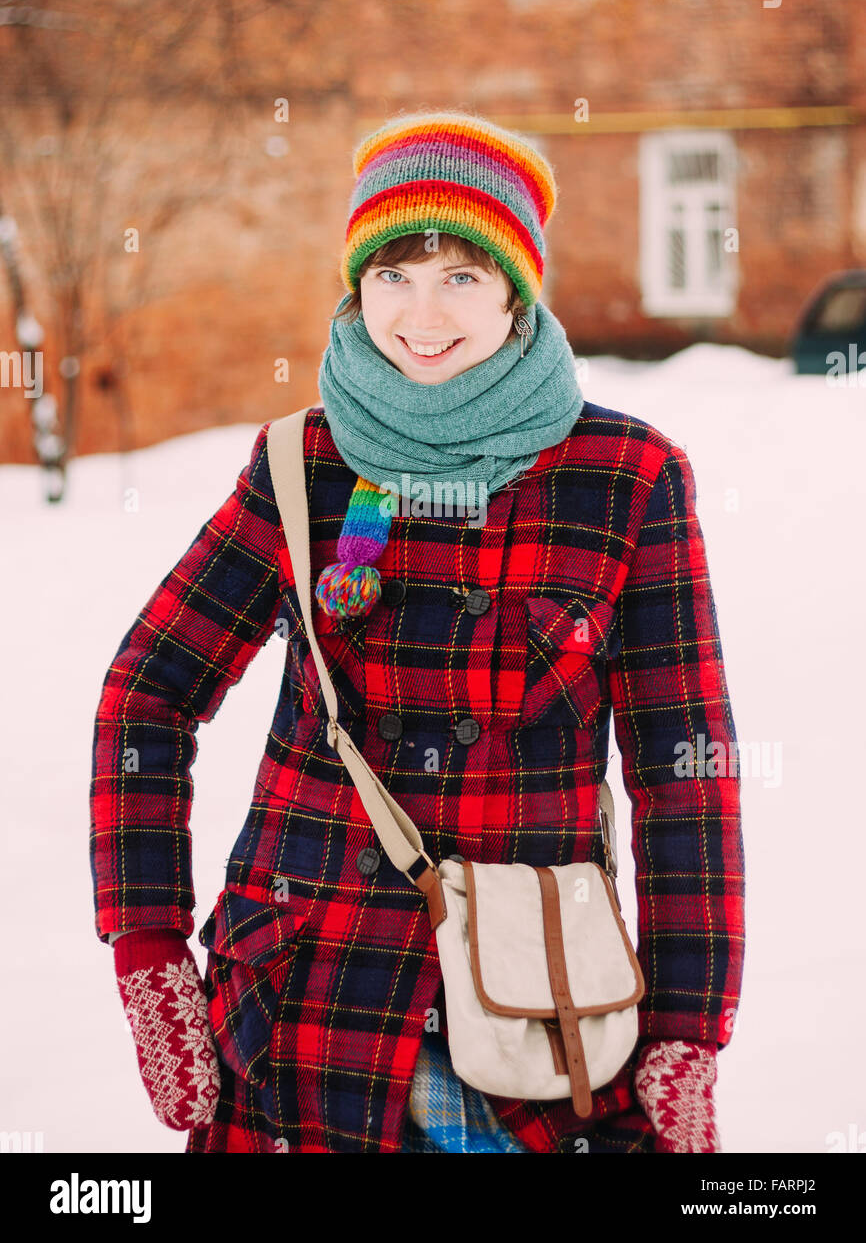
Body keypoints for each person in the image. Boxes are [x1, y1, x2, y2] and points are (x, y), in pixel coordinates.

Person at [90, 110, 745, 1154]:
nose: (420, 312)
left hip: (536, 1030)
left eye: (459, 275)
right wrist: (150, 949)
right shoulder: (299, 464)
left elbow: (682, 768)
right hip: (303, 1014)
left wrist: (683, 1030)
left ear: (514, 289)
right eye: (392, 274)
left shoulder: (626, 477)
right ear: (354, 287)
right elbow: (149, 691)